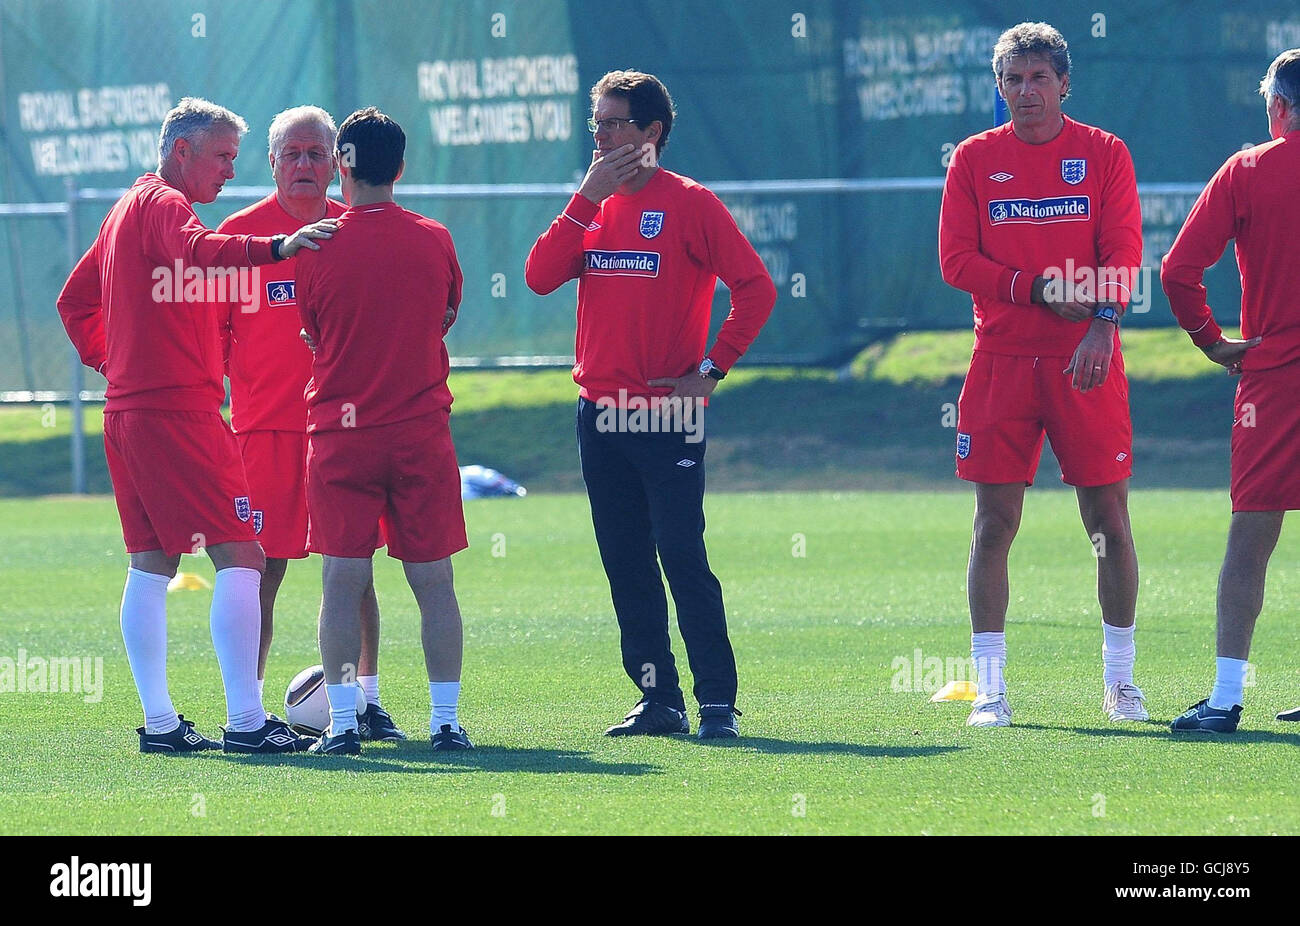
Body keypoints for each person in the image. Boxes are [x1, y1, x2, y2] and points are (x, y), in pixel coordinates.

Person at [56, 97, 335, 753]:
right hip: (176, 412)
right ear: (181, 151)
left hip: (129, 410)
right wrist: (277, 246)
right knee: (243, 554)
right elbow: (199, 250)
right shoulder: (163, 205)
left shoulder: (126, 208)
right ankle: (246, 723)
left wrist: (116, 363)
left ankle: (161, 725)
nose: (230, 172)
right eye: (222, 157)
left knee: (152, 563)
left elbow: (74, 301)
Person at [525, 70, 776, 739]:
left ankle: (716, 702)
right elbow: (539, 277)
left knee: (681, 556)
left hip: (667, 414)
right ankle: (657, 699)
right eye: (597, 124)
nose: (601, 137)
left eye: (615, 124)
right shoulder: (592, 205)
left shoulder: (690, 203)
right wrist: (583, 201)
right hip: (599, 413)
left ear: (652, 132)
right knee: (626, 562)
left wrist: (711, 370)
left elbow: (755, 288)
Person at [938, 23, 1146, 727]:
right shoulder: (973, 159)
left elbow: (1123, 251)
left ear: (1064, 84)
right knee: (993, 523)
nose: (1025, 91)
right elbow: (956, 261)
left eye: (1038, 78)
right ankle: (990, 689)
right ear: (999, 87)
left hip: (1085, 360)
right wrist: (1036, 288)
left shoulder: (1104, 153)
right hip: (1001, 362)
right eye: (1013, 79)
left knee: (1107, 520)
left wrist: (1102, 326)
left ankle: (1121, 683)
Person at [217, 106, 403, 741]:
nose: (303, 164)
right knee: (259, 572)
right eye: (291, 154)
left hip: (344, 430)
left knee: (354, 569)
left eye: (316, 153)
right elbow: (211, 339)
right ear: (272, 163)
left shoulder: (358, 230)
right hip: (264, 433)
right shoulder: (239, 238)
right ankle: (250, 710)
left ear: (338, 163)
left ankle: (367, 702)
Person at [295, 107, 471, 755]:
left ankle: (343, 725)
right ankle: (445, 722)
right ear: (399, 166)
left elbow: (313, 332)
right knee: (434, 582)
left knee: (341, 581)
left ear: (341, 164)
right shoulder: (433, 237)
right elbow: (446, 313)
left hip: (342, 437)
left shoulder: (316, 244)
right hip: (420, 431)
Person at [1162, 49, 1300, 732]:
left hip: (1273, 381)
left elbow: (1177, 270)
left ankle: (1224, 700)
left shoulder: (1248, 170)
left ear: (1278, 108)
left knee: (1251, 539)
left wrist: (1212, 341)